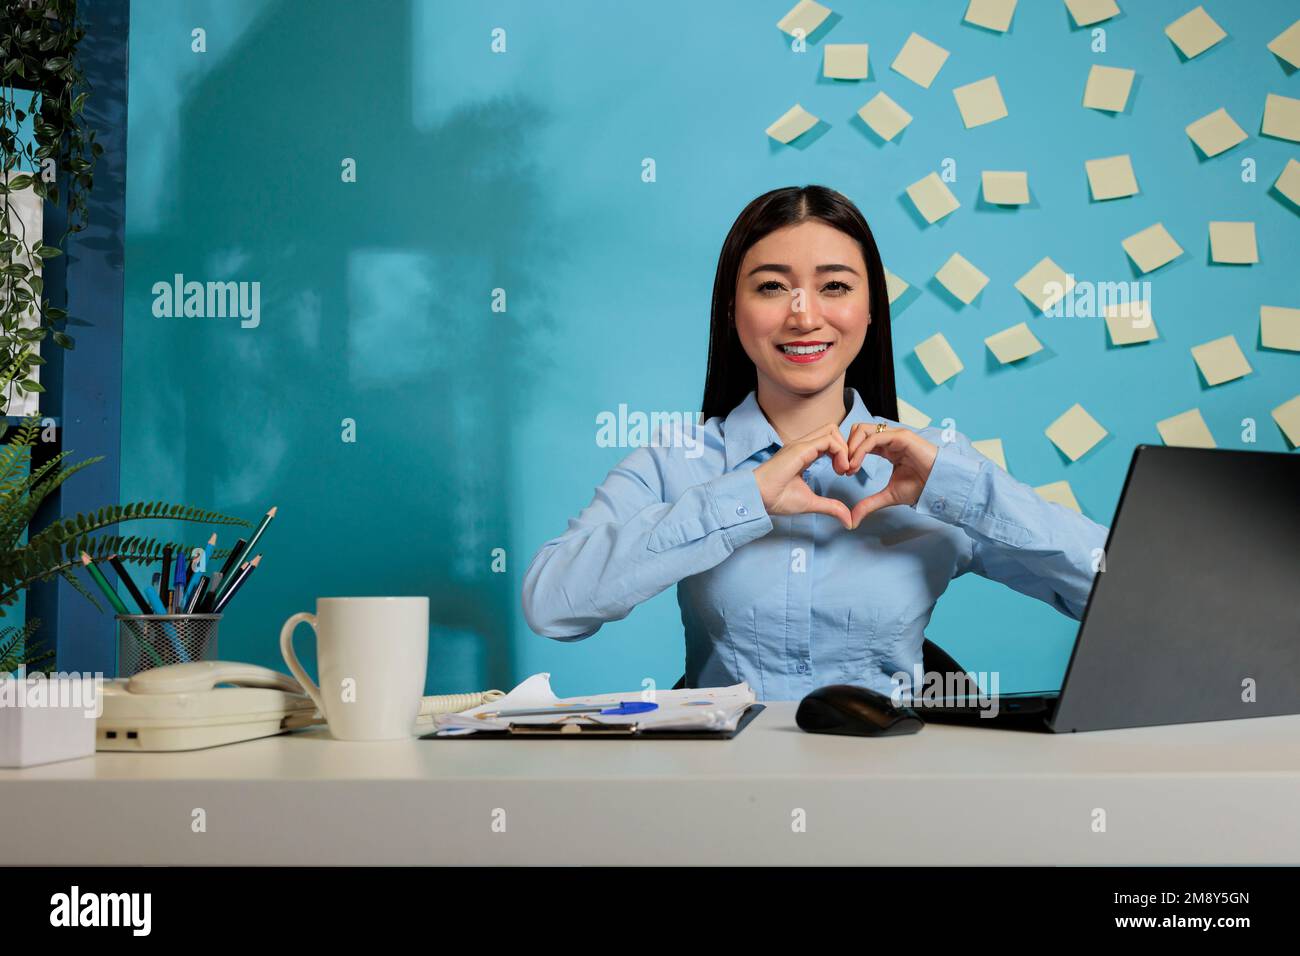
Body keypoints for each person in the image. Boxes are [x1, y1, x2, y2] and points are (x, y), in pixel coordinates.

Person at [522, 185, 1108, 700]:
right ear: (732, 309)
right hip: (723, 796)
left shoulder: (934, 466)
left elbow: (1118, 598)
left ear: (872, 308)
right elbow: (550, 604)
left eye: (834, 286)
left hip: (892, 793)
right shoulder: (676, 461)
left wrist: (961, 489)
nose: (803, 316)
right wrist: (741, 499)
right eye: (772, 286)